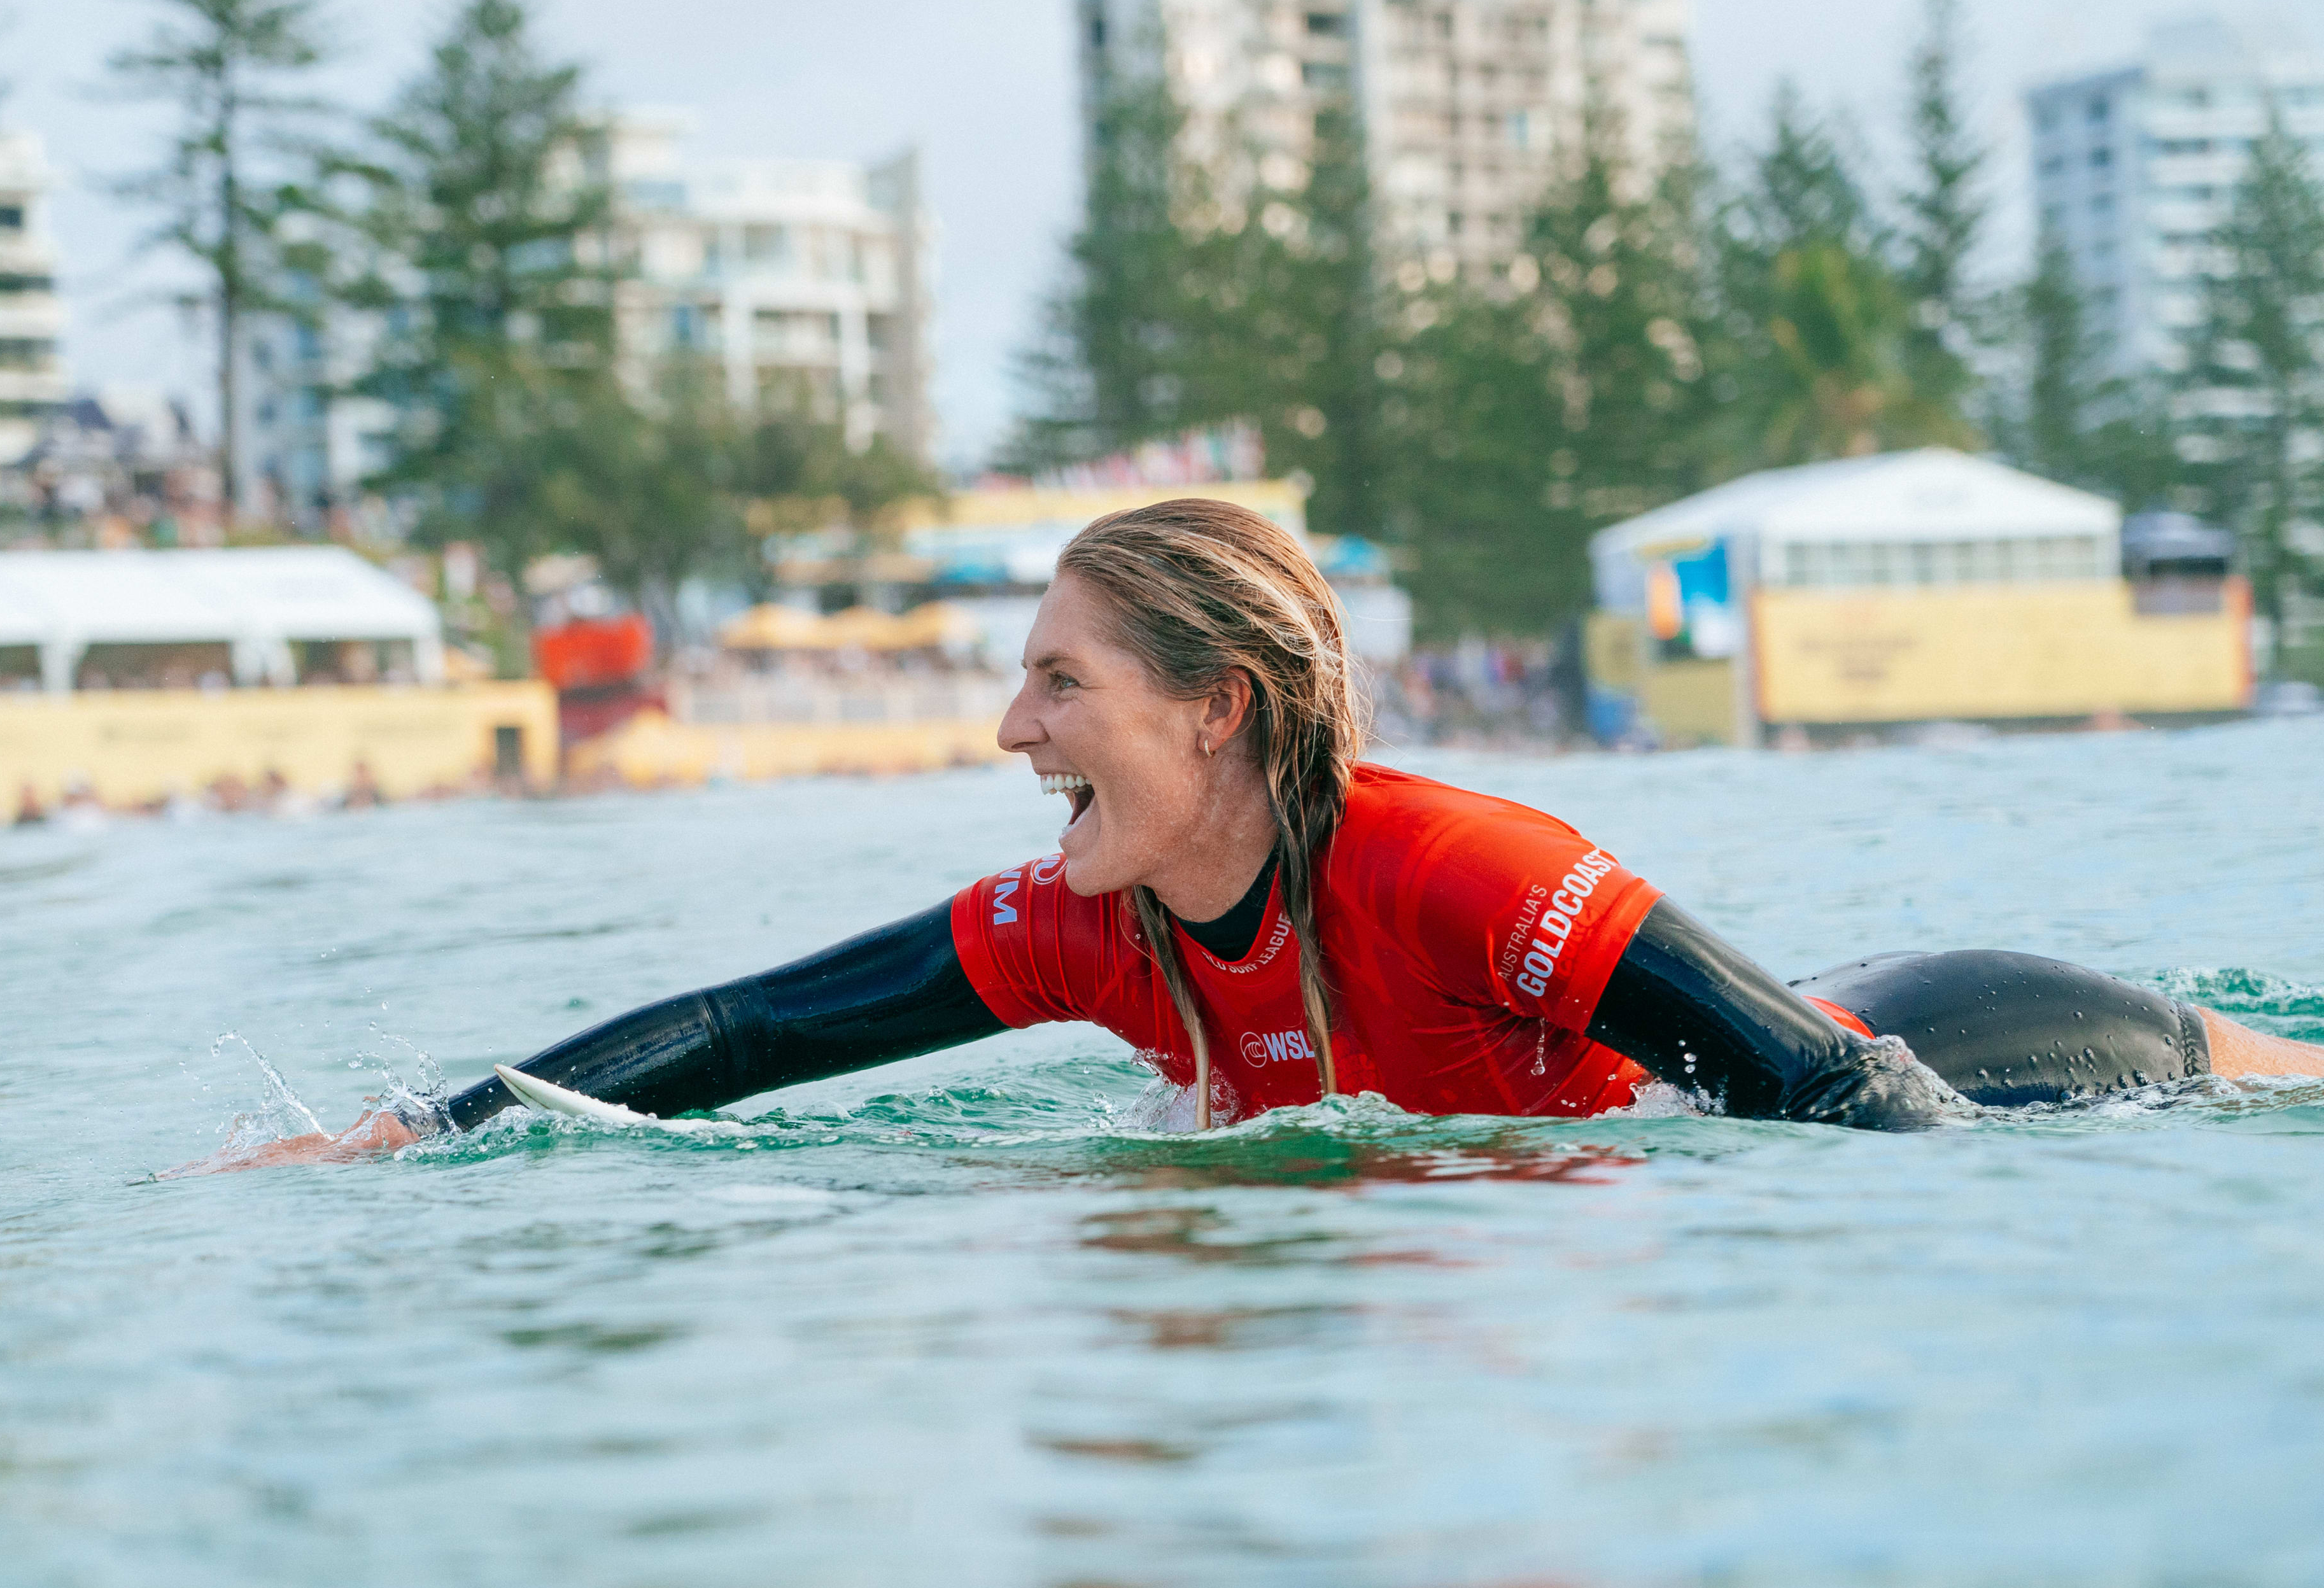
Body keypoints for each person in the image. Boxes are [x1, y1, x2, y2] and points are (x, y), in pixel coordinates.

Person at [178, 500, 2322, 1175]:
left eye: (1061, 686)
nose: (1011, 730)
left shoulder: (1455, 864)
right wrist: (427, 1129)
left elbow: (1828, 1093)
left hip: (1991, 1041)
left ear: (1218, 710)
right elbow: (748, 1035)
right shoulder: (1084, 922)